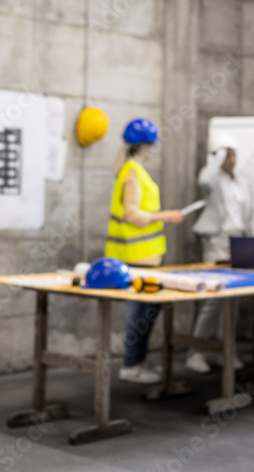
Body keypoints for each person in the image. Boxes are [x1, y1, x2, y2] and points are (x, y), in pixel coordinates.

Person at [106, 118, 185, 384]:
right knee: (141, 311)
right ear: (141, 146)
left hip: (143, 256)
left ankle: (136, 362)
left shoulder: (133, 169)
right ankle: (131, 364)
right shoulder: (132, 172)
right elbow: (133, 215)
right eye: (151, 144)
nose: (154, 149)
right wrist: (167, 216)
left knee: (147, 310)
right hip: (136, 256)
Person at [184, 131, 253, 374]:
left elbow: (247, 213)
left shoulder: (241, 181)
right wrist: (218, 156)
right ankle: (196, 352)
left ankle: (227, 351)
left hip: (239, 242)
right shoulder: (211, 179)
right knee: (213, 299)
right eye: (226, 154)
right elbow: (204, 181)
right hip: (217, 243)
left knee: (231, 300)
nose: (230, 159)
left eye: (233, 154)